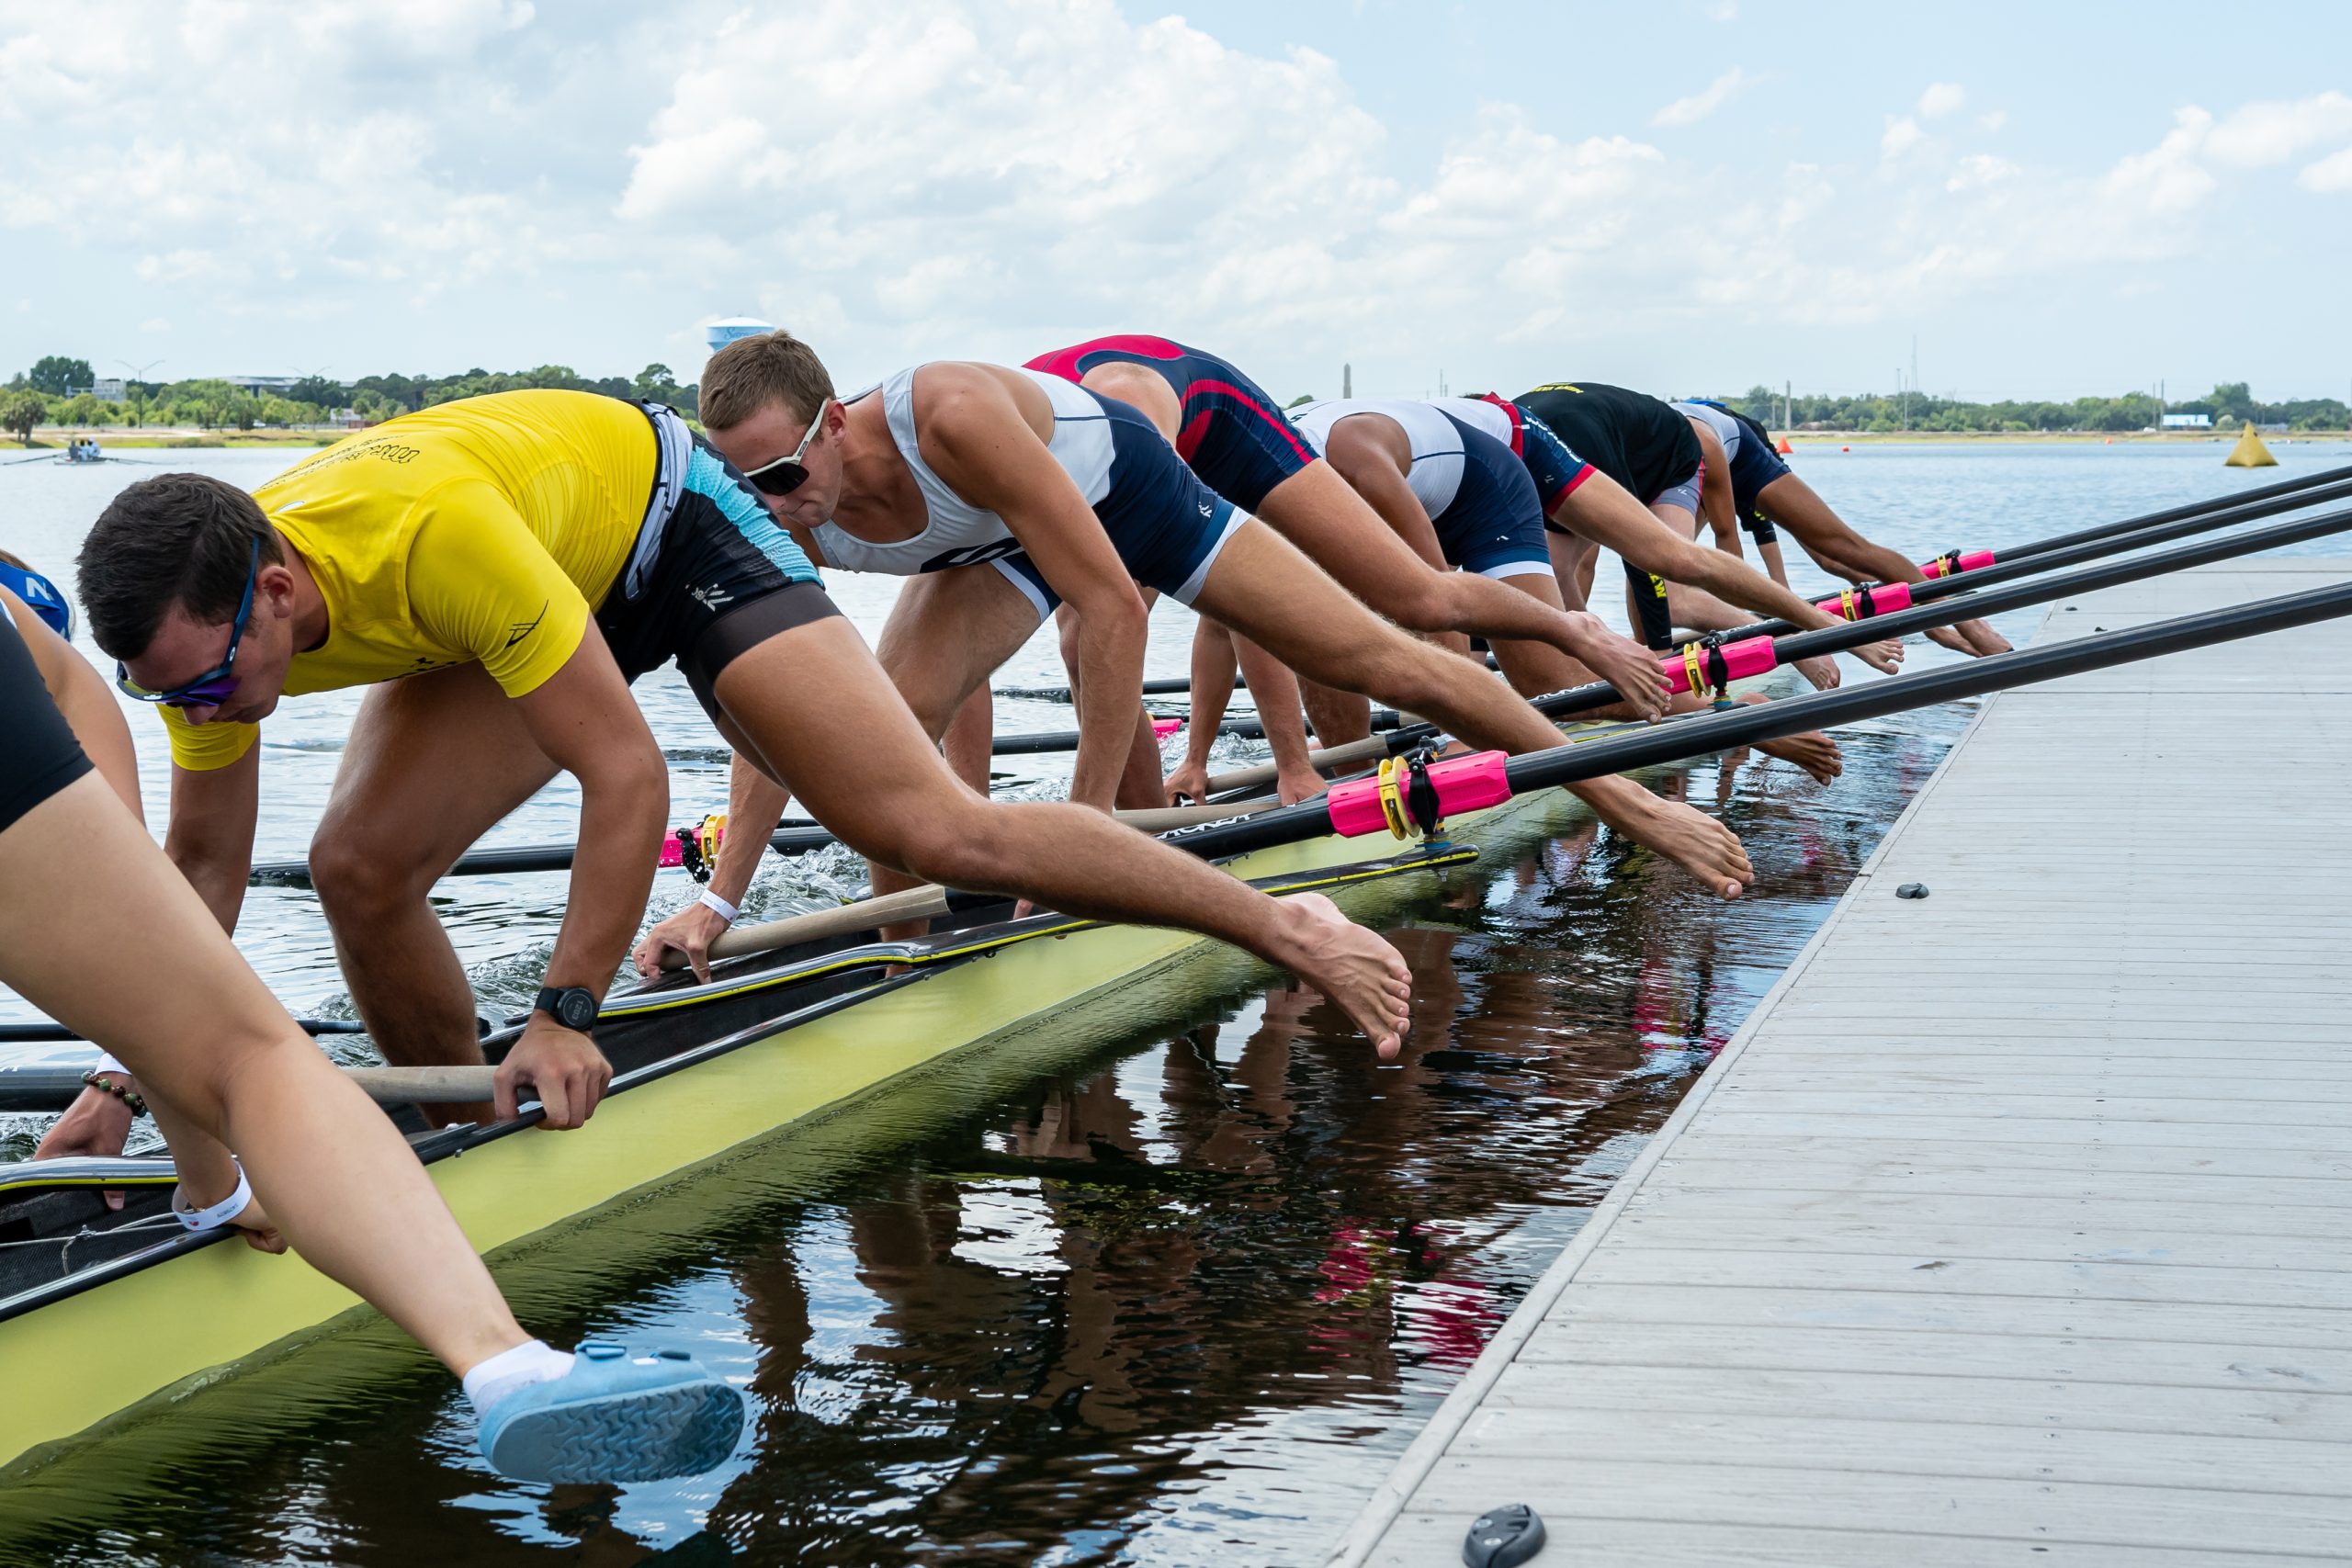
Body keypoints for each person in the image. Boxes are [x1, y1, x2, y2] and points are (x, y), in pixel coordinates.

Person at [71, 389, 1418, 1087]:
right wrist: (133, 1083)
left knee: (923, 826)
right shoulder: (206, 630)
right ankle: (461, 1120)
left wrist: (567, 1005)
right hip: (528, 576)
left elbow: (626, 771)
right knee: (359, 868)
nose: (200, 715)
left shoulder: (428, 545)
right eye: (166, 699)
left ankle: (1281, 921)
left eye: (205, 685)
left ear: (283, 592)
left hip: (669, 523)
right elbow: (201, 877)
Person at [629, 333, 1747, 989]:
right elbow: (784, 719)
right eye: (753, 488)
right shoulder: (784, 515)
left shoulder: (952, 413)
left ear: (831, 423)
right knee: (867, 733)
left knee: (1395, 635)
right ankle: (897, 967)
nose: (782, 506)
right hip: (1001, 547)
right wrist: (718, 908)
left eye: (786, 475)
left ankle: (1623, 772)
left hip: (1132, 498)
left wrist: (1074, 841)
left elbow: (1110, 606)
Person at [0, 580, 741, 1481]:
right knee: (247, 1054)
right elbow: (163, 1015)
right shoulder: (39, 644)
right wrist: (216, 1187)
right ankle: (506, 1364)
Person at [1014, 334, 1692, 809]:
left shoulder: (1291, 465)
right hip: (1188, 438)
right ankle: (1147, 826)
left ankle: (1681, 695)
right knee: (1087, 634)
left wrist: (1454, 728)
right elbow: (1222, 630)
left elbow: (1434, 600)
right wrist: (1195, 758)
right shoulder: (1101, 472)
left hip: (1484, 478)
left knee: (1534, 678)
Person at [1280, 398, 1845, 784]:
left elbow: (1442, 606)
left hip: (1497, 466)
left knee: (1554, 680)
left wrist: (1466, 725)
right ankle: (1349, 780)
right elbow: (1247, 627)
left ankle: (1742, 707)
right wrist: (1278, 766)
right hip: (1438, 469)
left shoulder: (1356, 462)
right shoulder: (1251, 487)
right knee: (1312, 624)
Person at [1669, 400, 2011, 657]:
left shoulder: (1702, 450)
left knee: (1838, 553)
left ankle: (1962, 622)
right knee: (1674, 574)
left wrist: (1773, 625)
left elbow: (1732, 543)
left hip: (1734, 444)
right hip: (1693, 452)